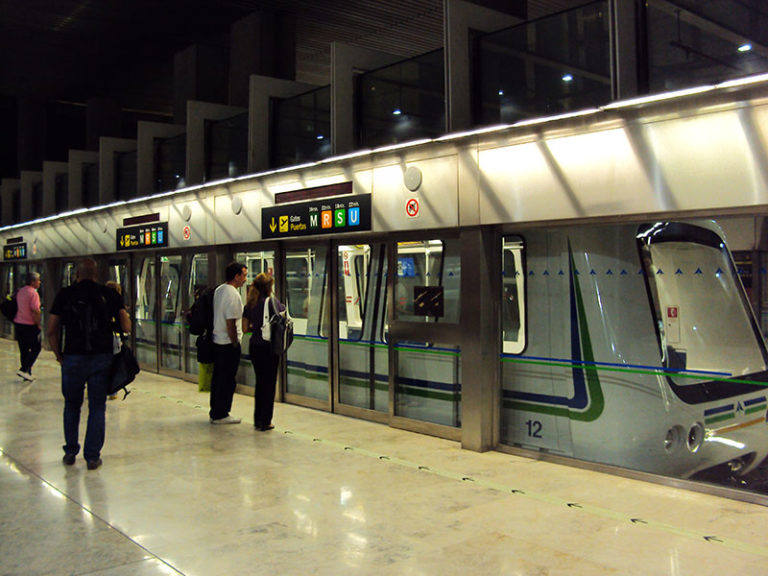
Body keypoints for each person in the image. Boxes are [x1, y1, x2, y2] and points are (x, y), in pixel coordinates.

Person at [46, 258, 131, 470]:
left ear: (77, 274)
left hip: (72, 358)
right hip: (101, 359)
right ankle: (92, 456)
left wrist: (59, 355)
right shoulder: (109, 294)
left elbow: (51, 330)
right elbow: (126, 326)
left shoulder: (65, 294)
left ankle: (70, 451)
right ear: (96, 274)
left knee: (72, 406)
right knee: (97, 408)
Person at [242, 273, 285, 431]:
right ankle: (266, 420)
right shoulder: (273, 302)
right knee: (269, 384)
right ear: (269, 287)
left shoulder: (250, 304)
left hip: (255, 346)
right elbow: (282, 318)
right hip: (268, 347)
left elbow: (245, 328)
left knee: (260, 383)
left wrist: (257, 327)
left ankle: (257, 418)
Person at [209, 261, 247, 425]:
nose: (245, 279)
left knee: (218, 378)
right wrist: (234, 343)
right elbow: (231, 322)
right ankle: (222, 413)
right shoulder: (233, 294)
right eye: (244, 275)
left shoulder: (219, 290)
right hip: (227, 343)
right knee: (227, 379)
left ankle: (215, 411)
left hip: (217, 341)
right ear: (236, 276)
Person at [14, 271, 42, 381]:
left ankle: (27, 373)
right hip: (30, 325)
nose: (39, 282)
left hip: (19, 323)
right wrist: (38, 324)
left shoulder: (20, 291)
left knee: (24, 349)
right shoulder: (33, 293)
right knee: (36, 347)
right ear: (33, 282)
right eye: (38, 280)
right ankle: (24, 369)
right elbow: (36, 310)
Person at [105, 281, 126, 400]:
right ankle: (113, 390)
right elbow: (126, 326)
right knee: (114, 363)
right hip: (113, 338)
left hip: (99, 341)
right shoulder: (117, 303)